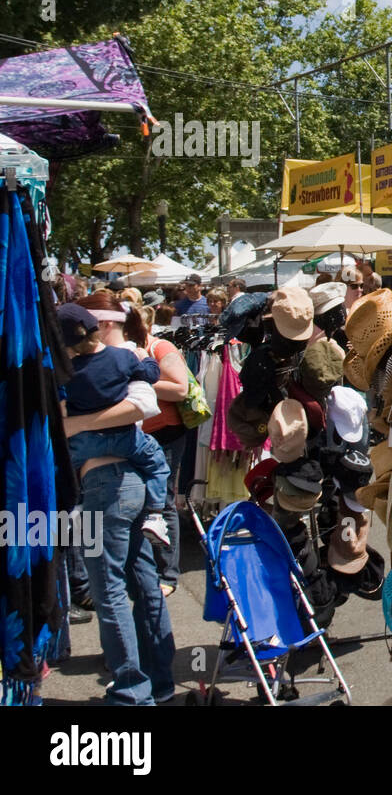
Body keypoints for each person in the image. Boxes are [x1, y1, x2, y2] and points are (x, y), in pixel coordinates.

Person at [62, 389, 177, 705]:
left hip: (103, 488)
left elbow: (147, 403)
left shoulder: (111, 361)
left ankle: (132, 693)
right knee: (143, 585)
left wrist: (77, 424)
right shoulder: (124, 363)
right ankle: (157, 684)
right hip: (127, 484)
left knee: (110, 593)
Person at [59, 301, 172, 547]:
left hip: (84, 442)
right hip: (126, 438)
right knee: (158, 465)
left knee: (65, 473)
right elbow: (149, 376)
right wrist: (147, 359)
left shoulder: (66, 372)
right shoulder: (123, 357)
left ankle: (72, 509)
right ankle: (155, 515)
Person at [124, 299, 193, 596]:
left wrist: (141, 381)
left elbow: (181, 388)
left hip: (165, 434)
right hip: (138, 435)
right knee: (142, 502)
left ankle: (168, 575)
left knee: (162, 501)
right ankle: (145, 567)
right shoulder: (126, 349)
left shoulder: (160, 347)